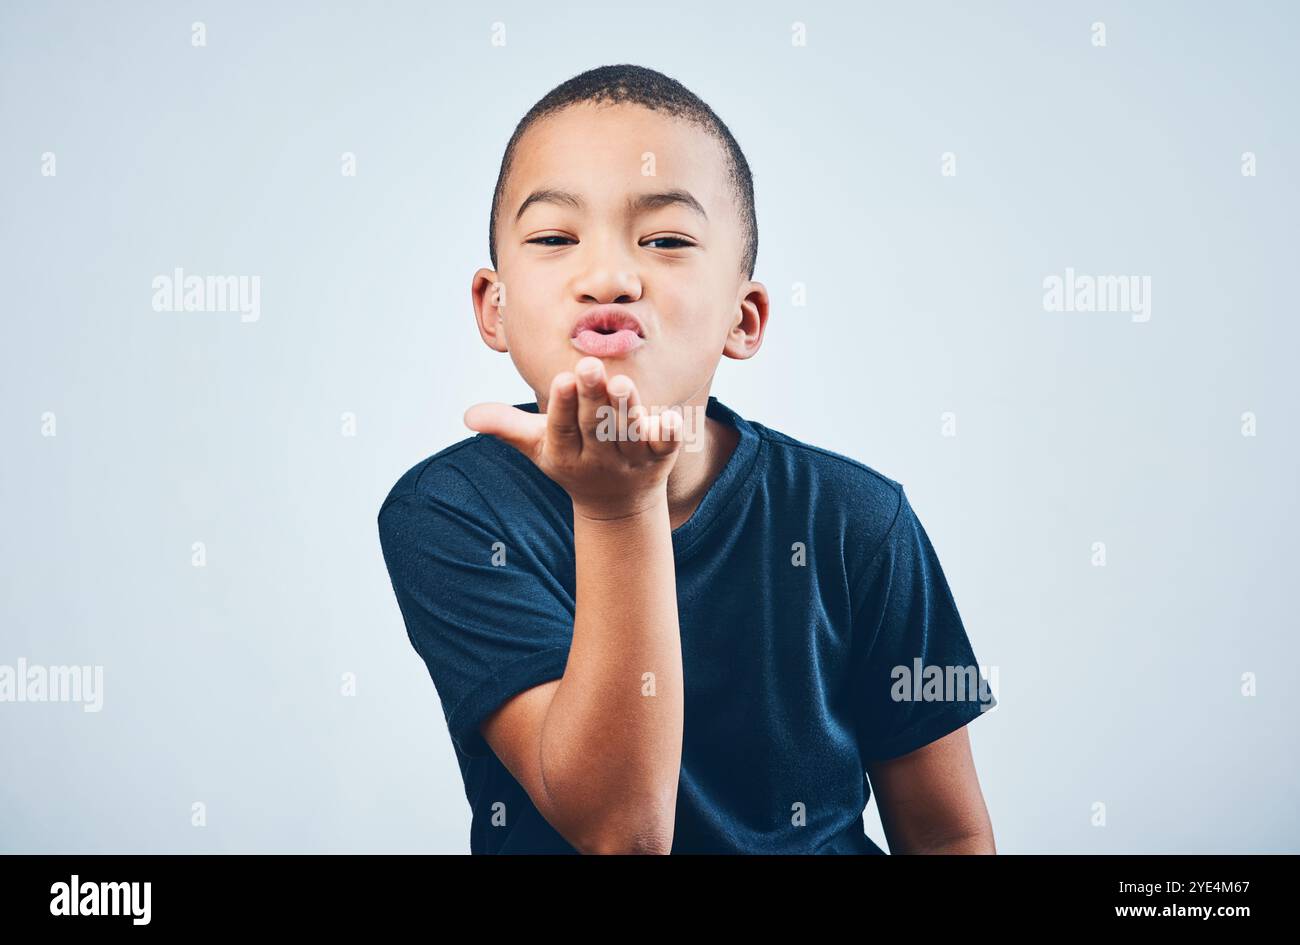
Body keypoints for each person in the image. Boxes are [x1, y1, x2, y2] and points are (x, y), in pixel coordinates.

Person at [378, 64, 997, 854]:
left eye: (666, 240)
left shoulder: (860, 520)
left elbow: (948, 835)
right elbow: (621, 831)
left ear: (744, 318)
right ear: (493, 309)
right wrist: (618, 505)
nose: (608, 275)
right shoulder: (449, 510)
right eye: (555, 238)